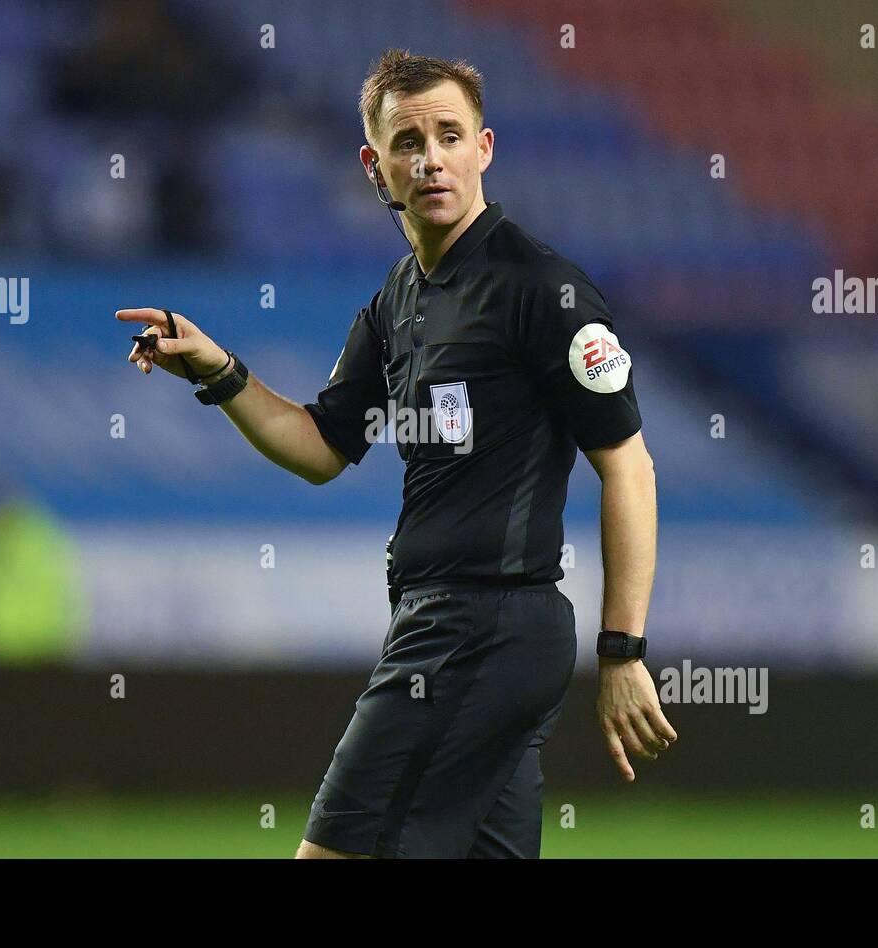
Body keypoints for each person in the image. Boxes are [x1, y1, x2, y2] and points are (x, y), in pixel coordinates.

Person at [116, 48, 675, 859]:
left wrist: (623, 650)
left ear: (484, 149)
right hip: (445, 626)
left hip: (480, 627)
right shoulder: (396, 302)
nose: (431, 157)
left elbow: (629, 465)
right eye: (408, 142)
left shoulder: (541, 289)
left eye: (450, 135)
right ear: (375, 167)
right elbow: (320, 447)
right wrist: (220, 371)